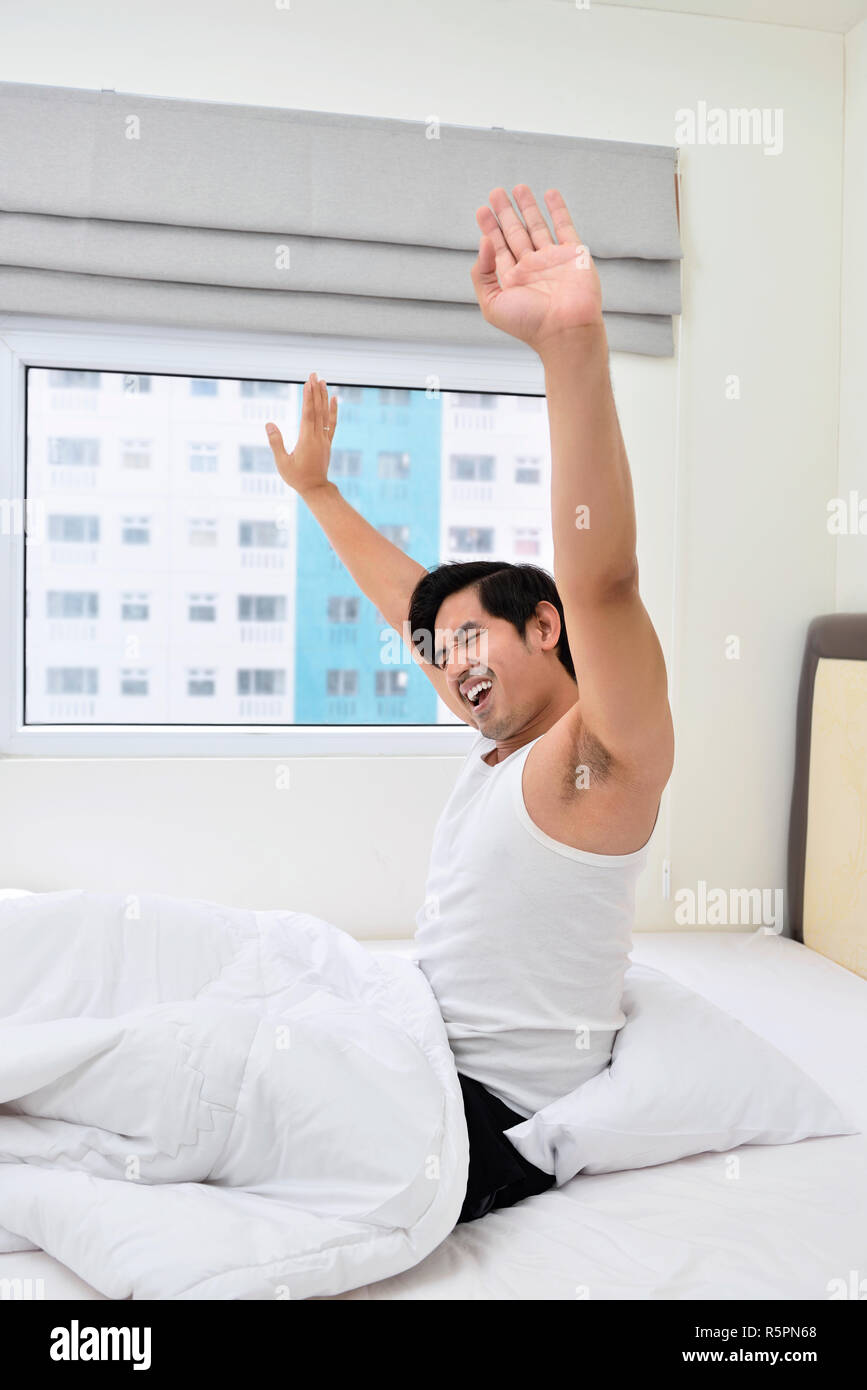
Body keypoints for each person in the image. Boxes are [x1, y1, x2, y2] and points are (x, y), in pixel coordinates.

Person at [265, 185, 674, 1225]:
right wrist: (317, 492)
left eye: (471, 642)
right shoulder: (505, 751)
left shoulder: (596, 765)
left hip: (474, 1119)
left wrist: (571, 346)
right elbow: (414, 602)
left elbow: (605, 584)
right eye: (436, 655)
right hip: (416, 1054)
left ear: (543, 624)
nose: (450, 668)